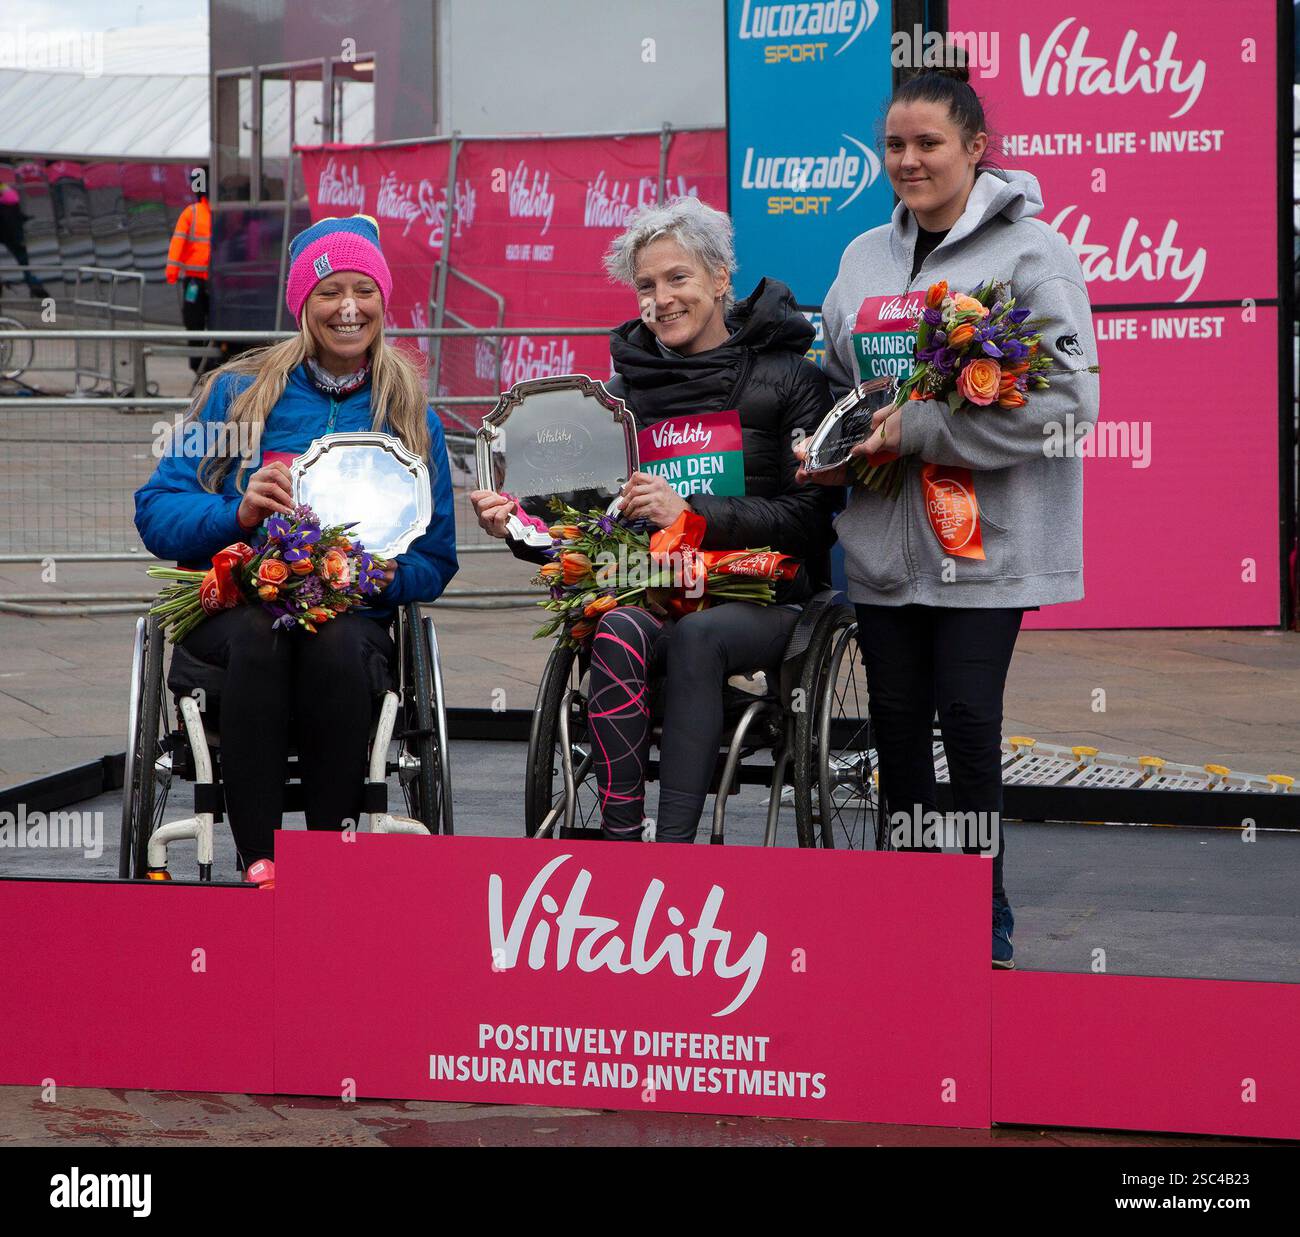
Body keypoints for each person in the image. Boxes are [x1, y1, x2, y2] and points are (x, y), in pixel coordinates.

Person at [805, 66, 1099, 968]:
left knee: (967, 724)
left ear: (976, 148)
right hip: (885, 551)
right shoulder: (862, 258)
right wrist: (821, 446)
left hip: (985, 550)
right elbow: (838, 385)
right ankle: (908, 913)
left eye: (929, 143)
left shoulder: (1034, 253)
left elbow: (1070, 403)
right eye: (895, 144)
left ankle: (982, 918)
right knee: (896, 735)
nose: (909, 160)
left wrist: (922, 428)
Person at [471, 196, 839, 843]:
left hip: (764, 591)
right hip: (655, 587)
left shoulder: (789, 379)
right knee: (612, 626)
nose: (661, 298)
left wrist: (692, 512)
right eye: (647, 285)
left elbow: (810, 516)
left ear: (721, 277)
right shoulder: (620, 399)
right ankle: (622, 839)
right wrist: (517, 526)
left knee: (701, 639)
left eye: (678, 278)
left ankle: (673, 855)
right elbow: (587, 528)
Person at [135, 214, 458, 878]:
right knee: (263, 633)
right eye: (329, 292)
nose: (348, 308)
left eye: (363, 290)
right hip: (236, 614)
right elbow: (157, 511)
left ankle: (329, 861)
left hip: (352, 622)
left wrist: (370, 577)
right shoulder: (236, 394)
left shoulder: (410, 417)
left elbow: (436, 559)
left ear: (383, 301)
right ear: (303, 306)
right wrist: (238, 510)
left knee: (334, 639)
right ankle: (261, 859)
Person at [165, 182, 212, 375]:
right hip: (196, 280)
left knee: (202, 323)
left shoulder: (208, 213)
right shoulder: (193, 213)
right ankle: (197, 364)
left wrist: (172, 272)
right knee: (195, 322)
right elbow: (178, 242)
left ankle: (204, 364)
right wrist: (172, 271)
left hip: (209, 282)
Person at [0, 167, 49, 299]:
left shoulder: (6, 195)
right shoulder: (7, 196)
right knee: (23, 261)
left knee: (22, 260)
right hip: (13, 233)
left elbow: (12, 199)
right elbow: (13, 199)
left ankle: (33, 285)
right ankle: (33, 284)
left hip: (9, 233)